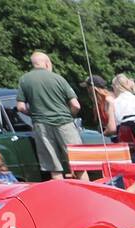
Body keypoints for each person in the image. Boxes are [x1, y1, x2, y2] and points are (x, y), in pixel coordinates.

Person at [16, 52, 82, 180]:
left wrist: (35, 113)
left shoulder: (24, 79)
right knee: (78, 164)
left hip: (41, 125)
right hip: (65, 123)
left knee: (53, 167)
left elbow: (21, 107)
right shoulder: (58, 78)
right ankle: (87, 196)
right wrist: (69, 116)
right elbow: (76, 105)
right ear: (47, 63)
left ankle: (60, 197)